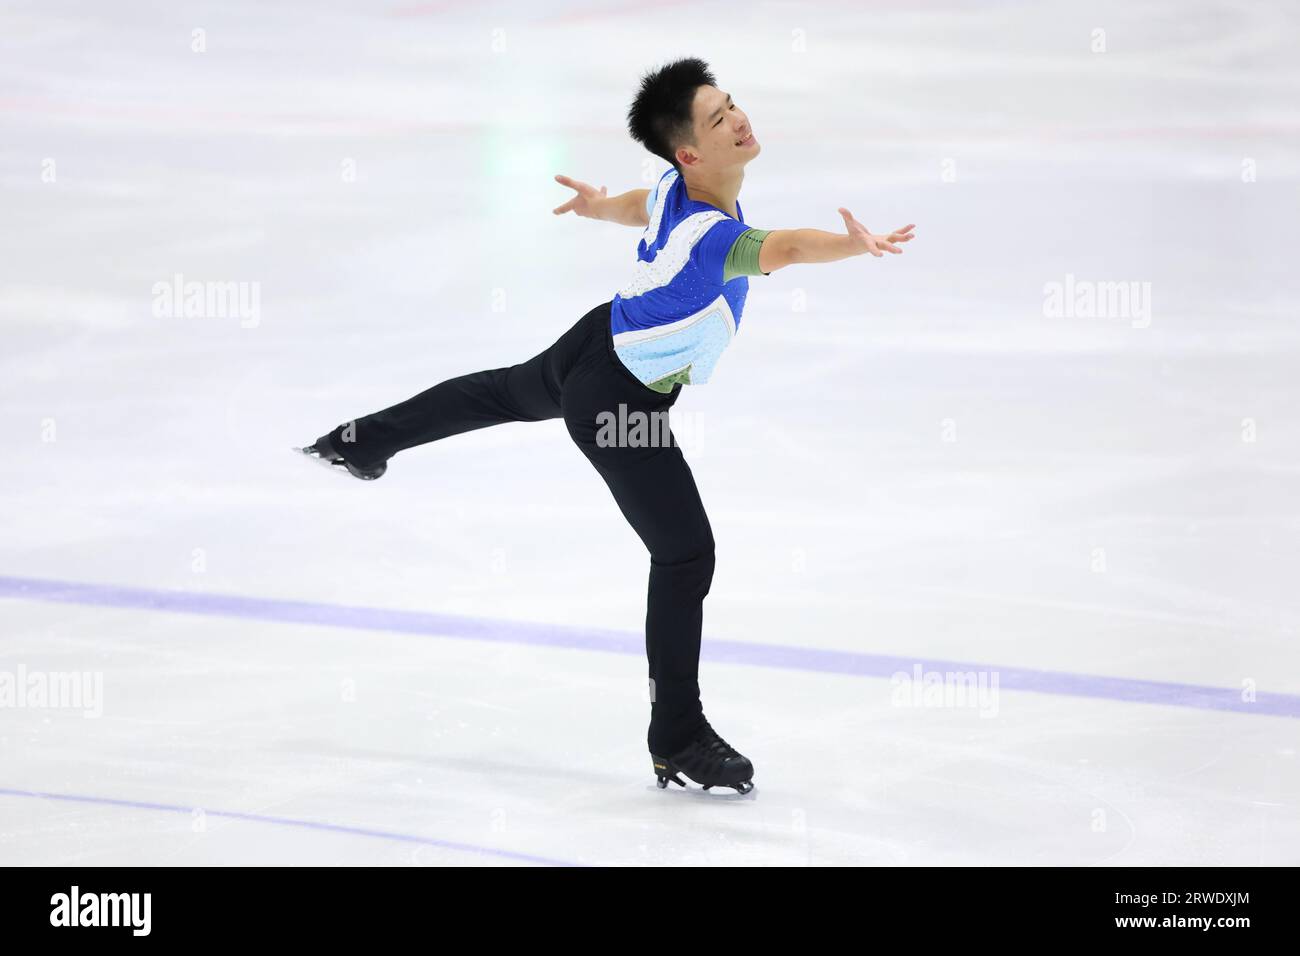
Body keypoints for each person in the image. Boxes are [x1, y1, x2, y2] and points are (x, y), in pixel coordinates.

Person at [299, 57, 915, 795]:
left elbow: (640, 203)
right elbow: (781, 249)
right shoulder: (715, 237)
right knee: (685, 555)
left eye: (733, 105)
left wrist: (598, 207)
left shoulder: (673, 187)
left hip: (597, 339)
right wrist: (852, 244)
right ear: (690, 152)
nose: (739, 120)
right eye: (719, 119)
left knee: (503, 393)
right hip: (620, 405)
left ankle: (360, 441)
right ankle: (677, 736)